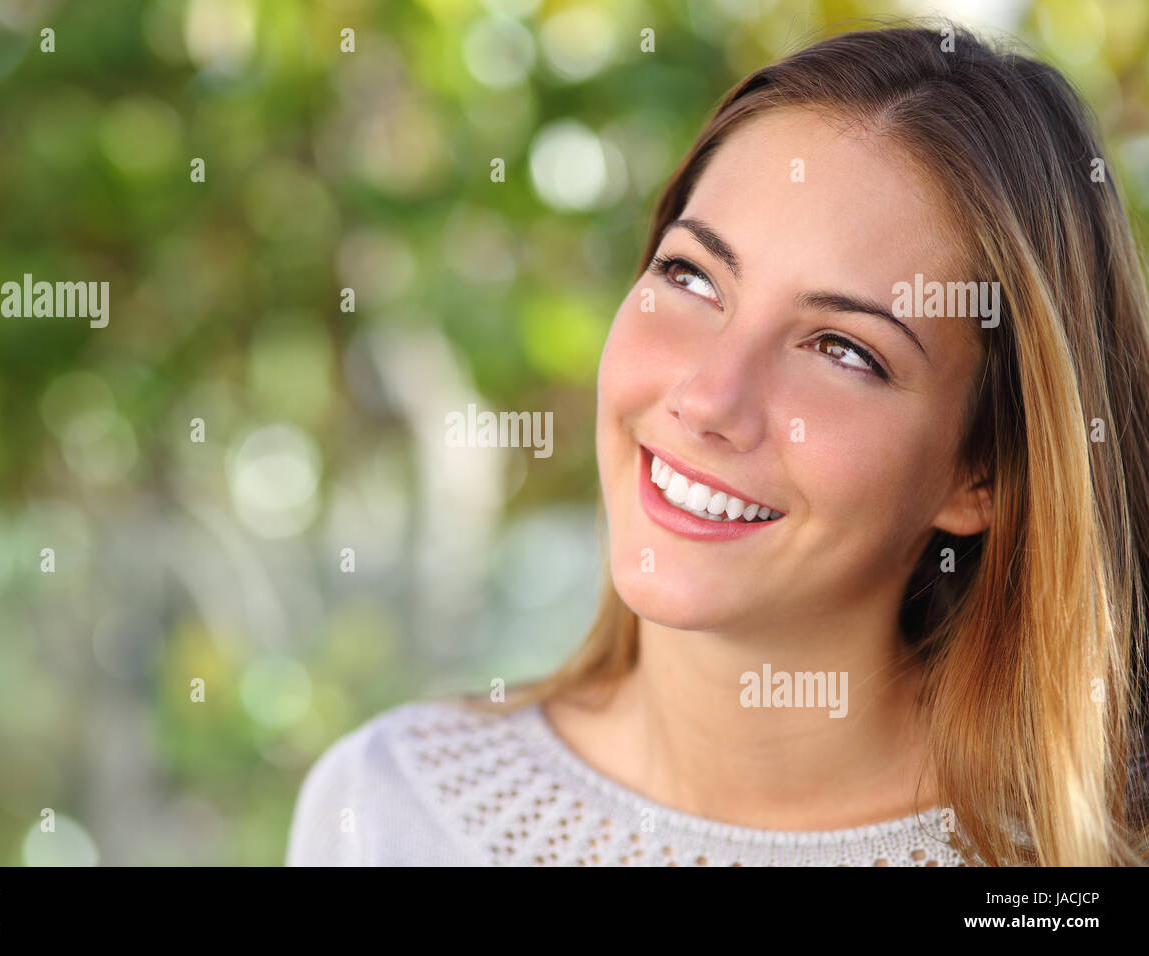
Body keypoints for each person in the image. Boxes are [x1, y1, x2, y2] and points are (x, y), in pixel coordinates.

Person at [287, 22, 1149, 867]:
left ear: (983, 475)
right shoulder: (387, 808)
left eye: (843, 349)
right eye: (691, 275)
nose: (708, 399)